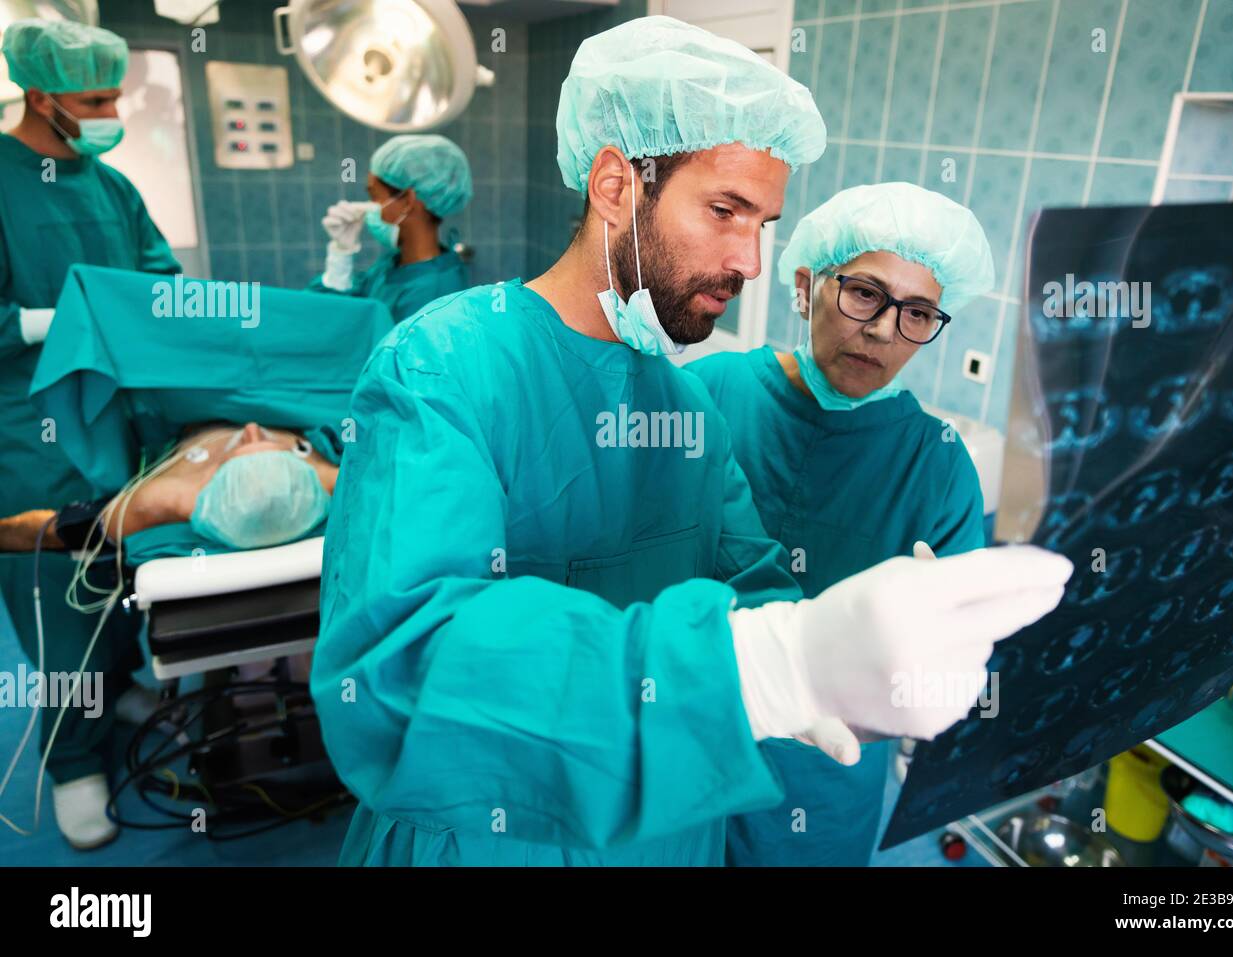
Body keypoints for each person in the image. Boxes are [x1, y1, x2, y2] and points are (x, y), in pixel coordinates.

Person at [310, 16, 1071, 867]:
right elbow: (396, 669)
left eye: (763, 223)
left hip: (672, 833)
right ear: (613, 186)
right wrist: (755, 670)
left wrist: (854, 636)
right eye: (724, 210)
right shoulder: (444, 365)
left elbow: (754, 590)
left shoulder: (688, 412)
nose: (749, 261)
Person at [688, 182, 996, 865]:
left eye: (917, 312)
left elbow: (960, 665)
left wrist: (932, 652)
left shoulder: (938, 465)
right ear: (806, 285)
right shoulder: (711, 395)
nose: (885, 328)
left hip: (825, 783)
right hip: (692, 742)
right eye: (865, 293)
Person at [0, 19, 180, 849]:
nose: (113, 110)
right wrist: (44, 322)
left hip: (119, 423)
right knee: (59, 598)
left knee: (121, 571)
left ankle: (125, 688)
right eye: (96, 97)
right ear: (42, 96)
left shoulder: (111, 187)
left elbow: (158, 277)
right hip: (32, 435)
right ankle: (73, 757)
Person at [0, 422, 338, 553]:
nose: (251, 428)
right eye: (294, 452)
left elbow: (60, 530)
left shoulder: (171, 498)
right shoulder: (333, 478)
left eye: (233, 454)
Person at [311, 135, 472, 322]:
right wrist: (341, 255)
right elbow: (342, 311)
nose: (368, 206)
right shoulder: (393, 264)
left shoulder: (433, 293)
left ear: (408, 201)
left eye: (374, 196)